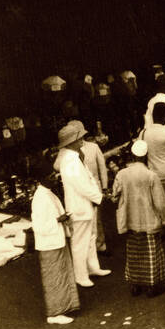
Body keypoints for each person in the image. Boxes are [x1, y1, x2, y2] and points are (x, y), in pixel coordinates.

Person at [55, 121, 110, 288]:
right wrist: (98, 196)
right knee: (80, 242)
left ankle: (93, 267)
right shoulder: (69, 160)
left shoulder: (73, 156)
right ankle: (81, 275)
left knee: (91, 237)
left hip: (85, 204)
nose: (82, 141)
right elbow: (81, 184)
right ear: (70, 142)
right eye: (79, 138)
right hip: (80, 206)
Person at [112, 139, 165, 297]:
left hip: (130, 220)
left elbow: (115, 195)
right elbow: (160, 202)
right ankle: (151, 286)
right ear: (146, 156)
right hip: (148, 219)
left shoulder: (122, 174)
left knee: (134, 253)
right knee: (151, 253)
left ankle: (135, 285)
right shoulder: (151, 176)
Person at [31, 157, 79, 325]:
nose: (54, 177)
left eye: (54, 173)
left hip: (56, 239)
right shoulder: (39, 198)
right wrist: (59, 220)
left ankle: (65, 306)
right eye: (50, 175)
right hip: (49, 243)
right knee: (54, 278)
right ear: (41, 178)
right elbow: (38, 226)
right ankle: (54, 313)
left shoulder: (48, 193)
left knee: (62, 273)